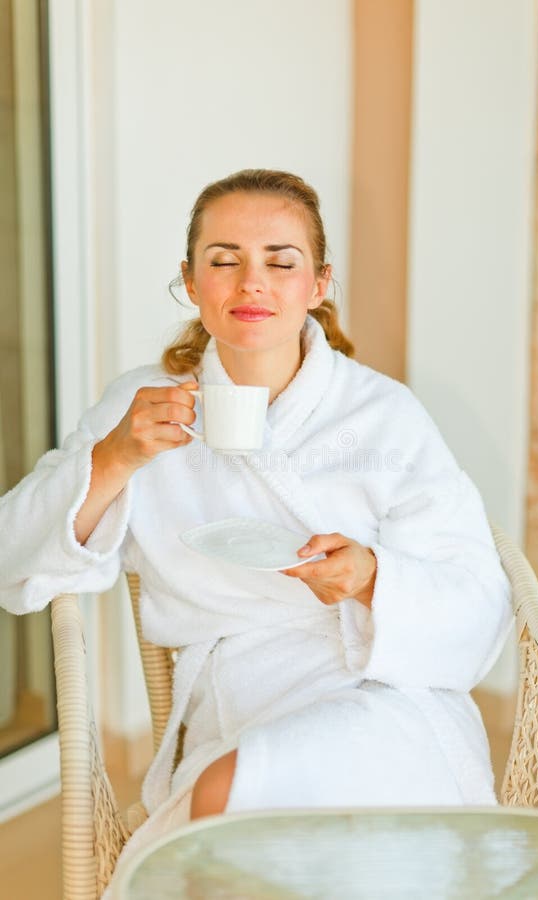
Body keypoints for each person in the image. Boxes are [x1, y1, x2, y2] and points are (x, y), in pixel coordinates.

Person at [0, 169, 512, 887]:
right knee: (237, 799)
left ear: (319, 283)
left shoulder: (382, 414)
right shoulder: (143, 404)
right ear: (189, 278)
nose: (252, 283)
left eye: (281, 261)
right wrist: (116, 457)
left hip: (380, 692)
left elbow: (478, 599)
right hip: (238, 700)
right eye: (223, 259)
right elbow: (12, 560)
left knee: (244, 804)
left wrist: (372, 580)